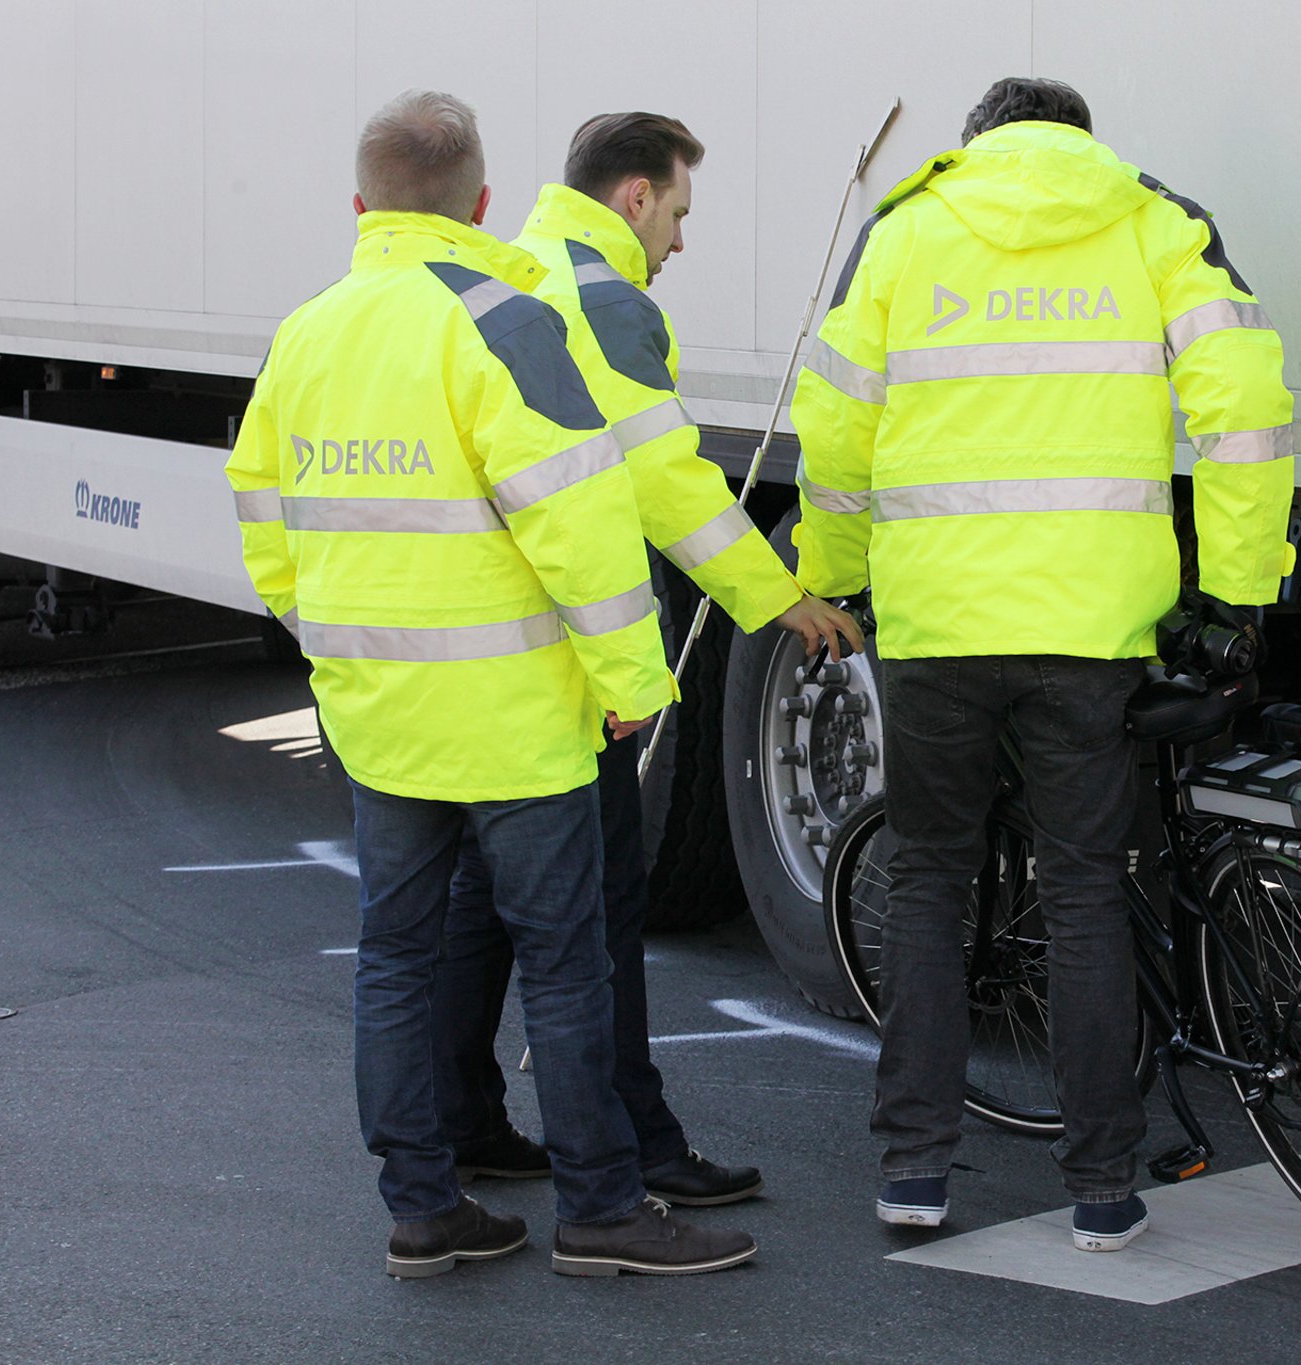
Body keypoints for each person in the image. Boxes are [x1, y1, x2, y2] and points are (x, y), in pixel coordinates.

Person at [225, 89, 755, 1279]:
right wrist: (635, 685)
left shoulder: (306, 331)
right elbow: (579, 528)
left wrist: (333, 643)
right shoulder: (504, 321)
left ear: (360, 205)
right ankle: (604, 1212)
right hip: (518, 726)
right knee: (566, 965)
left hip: (379, 718)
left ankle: (423, 1207)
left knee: (395, 960)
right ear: (475, 203)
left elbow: (263, 520)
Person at [791, 77, 1297, 1252]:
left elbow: (834, 423)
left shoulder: (906, 228)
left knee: (928, 883)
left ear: (979, 143)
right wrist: (1233, 593)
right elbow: (1245, 407)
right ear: (1078, 138)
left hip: (935, 627)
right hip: (1092, 632)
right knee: (1082, 893)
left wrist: (842, 571)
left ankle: (914, 1175)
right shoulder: (1153, 220)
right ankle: (1102, 1189)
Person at [430, 112, 863, 1207]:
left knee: (481, 898)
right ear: (633, 198)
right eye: (676, 211)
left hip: (492, 658)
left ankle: (463, 1124)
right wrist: (782, 601)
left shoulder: (517, 270)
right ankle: (633, 1152)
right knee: (597, 920)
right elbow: (667, 484)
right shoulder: (604, 302)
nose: (679, 240)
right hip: (570, 670)